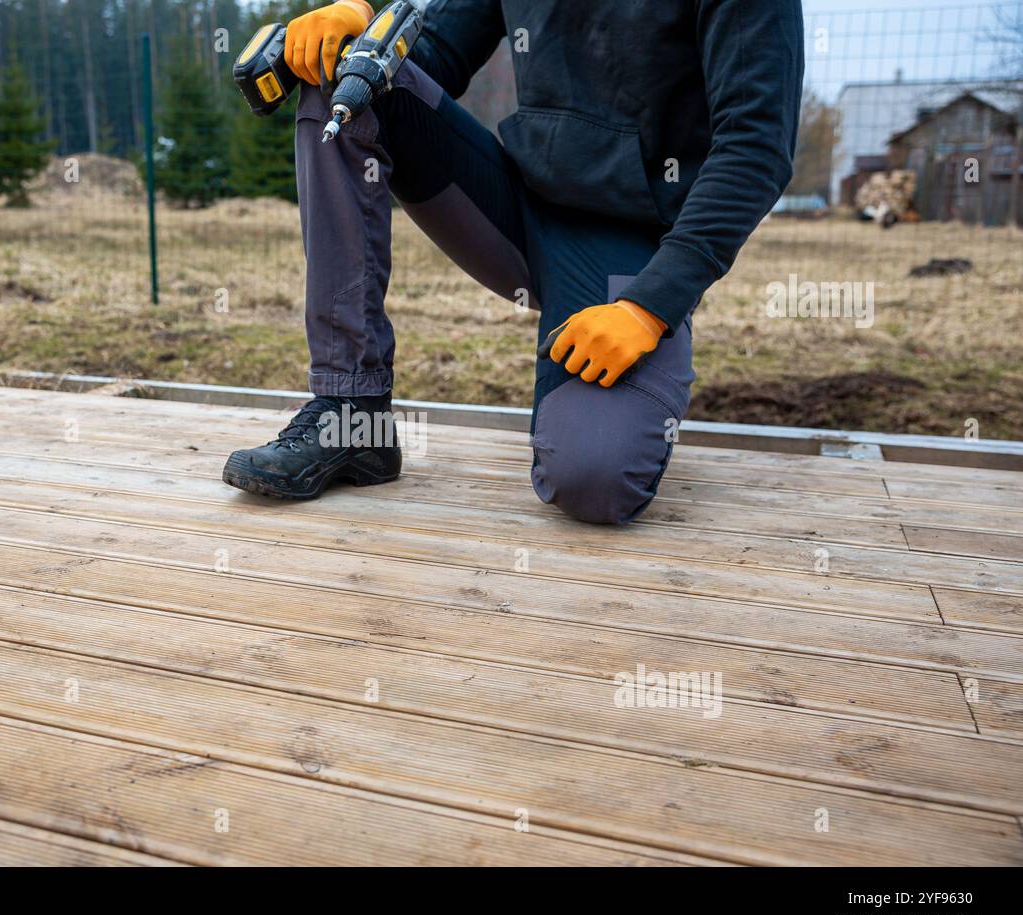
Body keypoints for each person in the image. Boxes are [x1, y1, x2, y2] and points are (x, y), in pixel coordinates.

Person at [222, 0, 804, 524]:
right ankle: (353, 413)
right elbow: (435, 56)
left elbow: (755, 147)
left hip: (633, 246)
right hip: (516, 208)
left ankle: (620, 353)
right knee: (350, 74)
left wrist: (650, 308)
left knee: (592, 478)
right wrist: (359, 19)